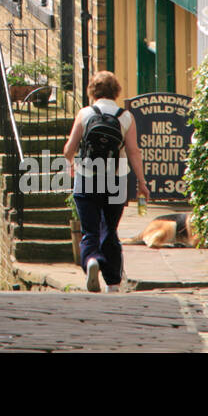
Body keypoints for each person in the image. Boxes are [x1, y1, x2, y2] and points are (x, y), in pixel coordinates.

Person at [62, 71, 151, 293]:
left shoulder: (85, 114)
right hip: (116, 180)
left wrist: (72, 163)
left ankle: (91, 259)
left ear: (92, 90)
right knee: (110, 230)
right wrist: (141, 182)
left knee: (90, 231)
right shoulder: (125, 117)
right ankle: (113, 282)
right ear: (116, 91)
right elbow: (133, 152)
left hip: (86, 178)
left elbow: (68, 150)